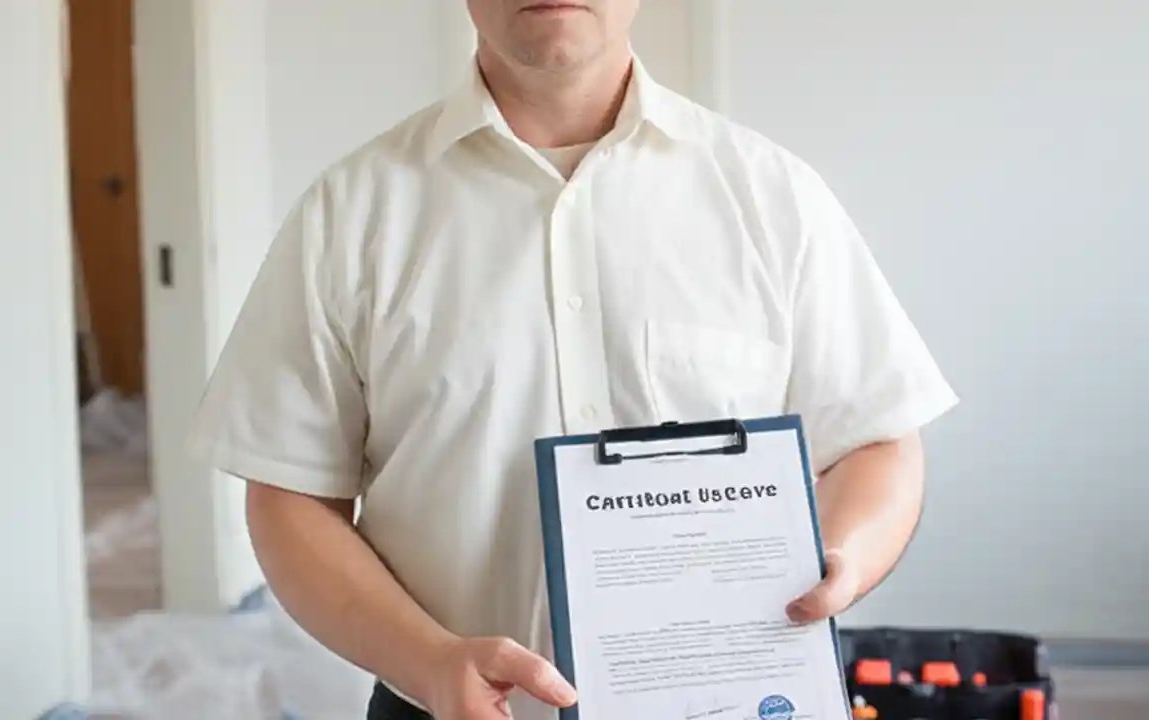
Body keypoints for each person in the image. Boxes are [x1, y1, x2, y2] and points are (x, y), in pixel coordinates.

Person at [187, 1, 959, 718]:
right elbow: (291, 496)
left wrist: (839, 558)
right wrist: (427, 662)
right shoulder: (351, 212)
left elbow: (877, 439)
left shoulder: (772, 195)